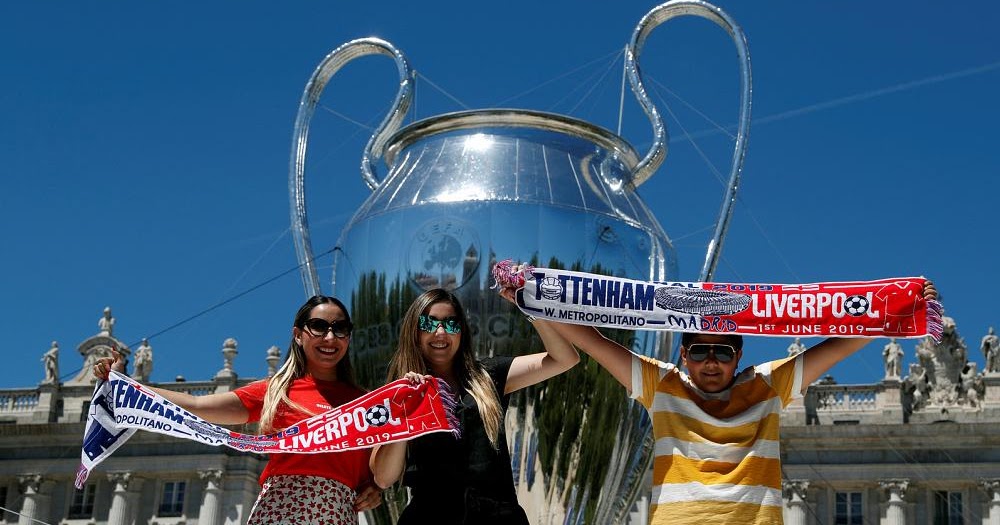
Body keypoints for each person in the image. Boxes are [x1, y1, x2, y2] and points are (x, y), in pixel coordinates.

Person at [524, 280, 937, 525]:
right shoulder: (661, 385)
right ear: (683, 354)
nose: (710, 362)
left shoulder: (769, 385)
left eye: (723, 352)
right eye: (700, 351)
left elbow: (837, 346)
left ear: (739, 356)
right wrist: (531, 296)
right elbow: (594, 343)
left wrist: (902, 308)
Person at [93, 295, 381, 525]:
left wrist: (376, 488)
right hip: (281, 511)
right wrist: (126, 385)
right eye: (319, 327)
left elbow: (377, 468)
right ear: (298, 334)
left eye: (340, 329)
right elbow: (197, 406)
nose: (330, 337)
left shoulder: (365, 403)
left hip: (338, 514)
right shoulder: (277, 390)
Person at [368, 288, 579, 524]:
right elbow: (384, 478)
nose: (440, 333)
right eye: (429, 323)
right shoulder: (398, 392)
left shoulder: (489, 375)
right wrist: (405, 411)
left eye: (451, 324)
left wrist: (529, 307)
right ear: (414, 331)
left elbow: (565, 358)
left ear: (462, 332)